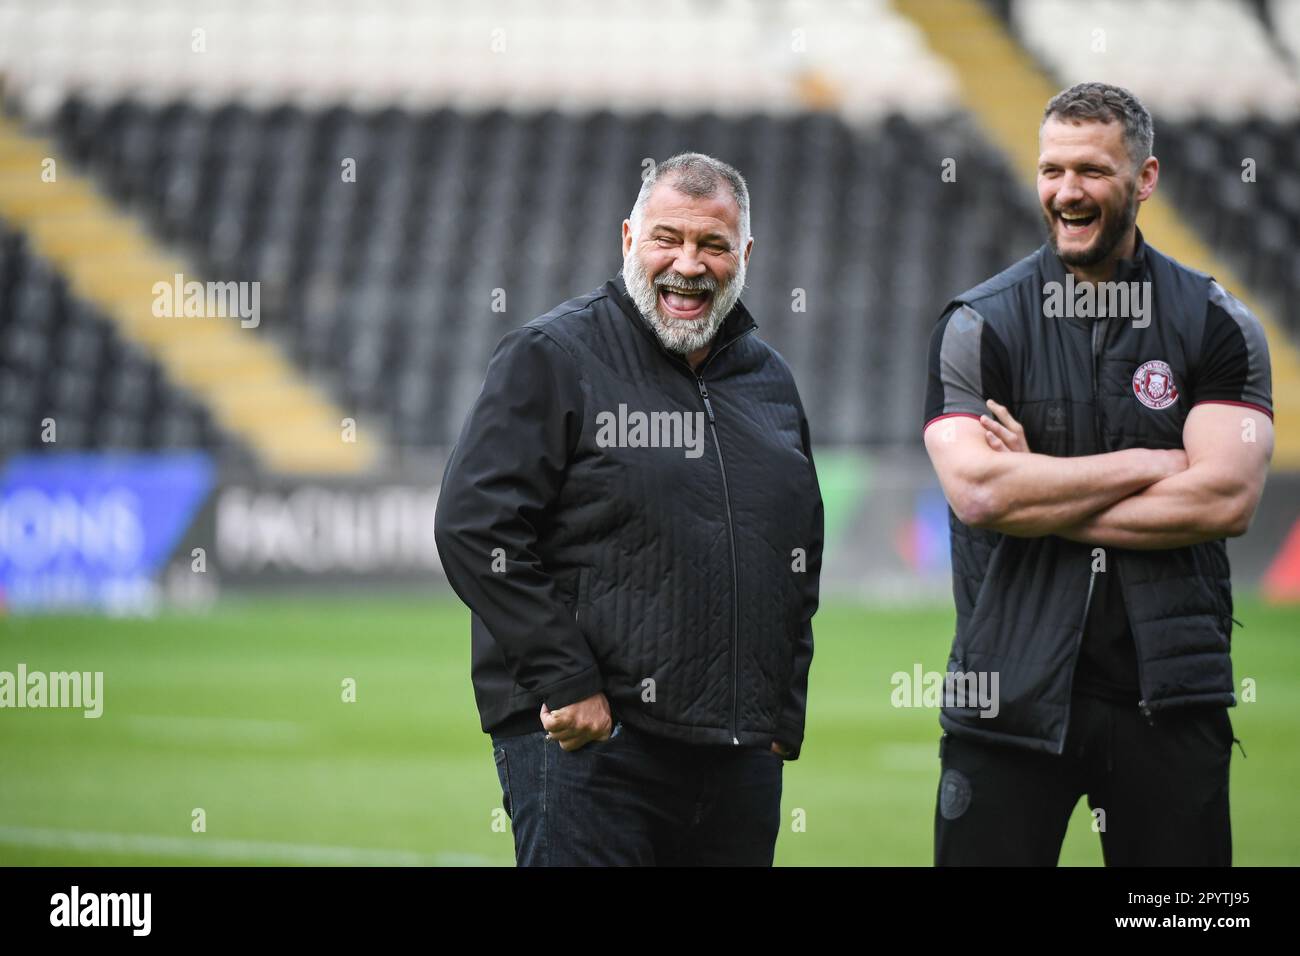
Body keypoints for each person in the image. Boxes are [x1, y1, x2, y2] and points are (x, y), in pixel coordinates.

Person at [434, 152, 824, 866]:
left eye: (713, 245)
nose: (688, 264)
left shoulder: (770, 382)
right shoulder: (552, 355)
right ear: (627, 241)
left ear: (746, 254)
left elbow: (797, 553)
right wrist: (567, 678)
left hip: (736, 756)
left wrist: (781, 714)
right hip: (590, 746)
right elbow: (474, 528)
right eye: (666, 239)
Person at [922, 82, 1273, 866]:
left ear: (1145, 178)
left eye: (1091, 170)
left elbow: (1224, 496)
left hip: (1170, 703)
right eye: (1052, 170)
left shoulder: (1218, 322)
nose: (1066, 191)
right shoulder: (978, 324)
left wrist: (1036, 492)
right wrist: (1147, 464)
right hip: (1006, 701)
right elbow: (979, 491)